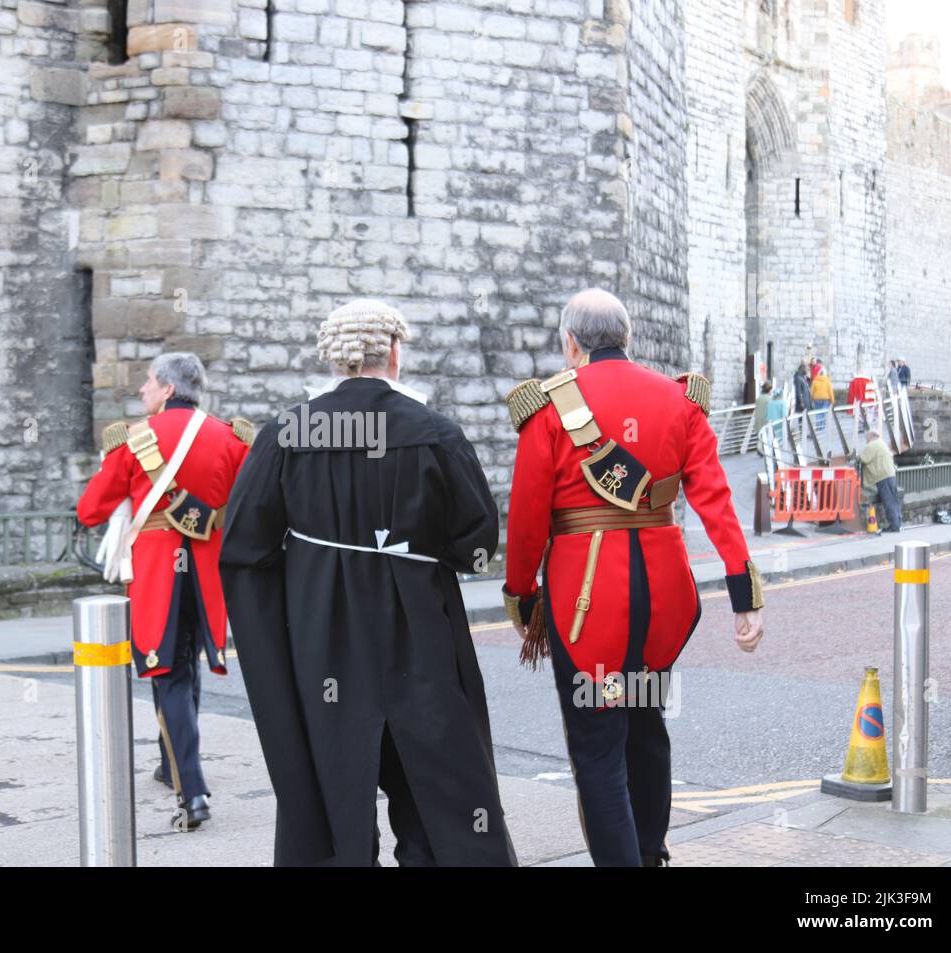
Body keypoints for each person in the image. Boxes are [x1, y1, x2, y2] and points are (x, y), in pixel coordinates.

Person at [219, 298, 518, 867]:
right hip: (422, 637)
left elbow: (244, 550)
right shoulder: (436, 432)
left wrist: (301, 593)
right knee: (441, 790)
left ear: (332, 356)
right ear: (395, 352)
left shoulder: (286, 433)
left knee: (334, 785)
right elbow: (476, 544)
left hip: (321, 642)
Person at [502, 288, 765, 867]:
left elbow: (525, 523)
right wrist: (744, 597)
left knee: (598, 750)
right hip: (664, 602)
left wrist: (524, 599)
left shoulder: (548, 408)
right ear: (628, 338)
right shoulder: (678, 400)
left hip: (587, 606)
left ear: (571, 344)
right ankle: (651, 855)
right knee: (647, 726)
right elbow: (715, 501)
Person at [76, 352, 253, 830]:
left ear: (169, 390)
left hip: (158, 571)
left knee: (167, 671)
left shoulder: (135, 440)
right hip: (207, 573)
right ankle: (167, 759)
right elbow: (253, 503)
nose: (142, 391)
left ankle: (191, 790)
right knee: (185, 664)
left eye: (149, 383)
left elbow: (91, 510)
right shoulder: (231, 438)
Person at [857, 429, 902, 533]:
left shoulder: (872, 445)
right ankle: (898, 522)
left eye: (866, 438)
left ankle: (894, 526)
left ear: (870, 437)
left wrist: (855, 457)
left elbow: (863, 459)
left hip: (882, 477)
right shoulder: (882, 443)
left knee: (888, 501)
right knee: (894, 500)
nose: (866, 440)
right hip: (890, 475)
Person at [810, 361, 834, 434]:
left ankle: (818, 425)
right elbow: (830, 391)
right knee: (823, 412)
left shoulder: (815, 381)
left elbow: (812, 391)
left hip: (816, 399)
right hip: (825, 399)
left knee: (817, 412)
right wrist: (832, 401)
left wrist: (811, 399)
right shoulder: (827, 381)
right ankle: (822, 426)